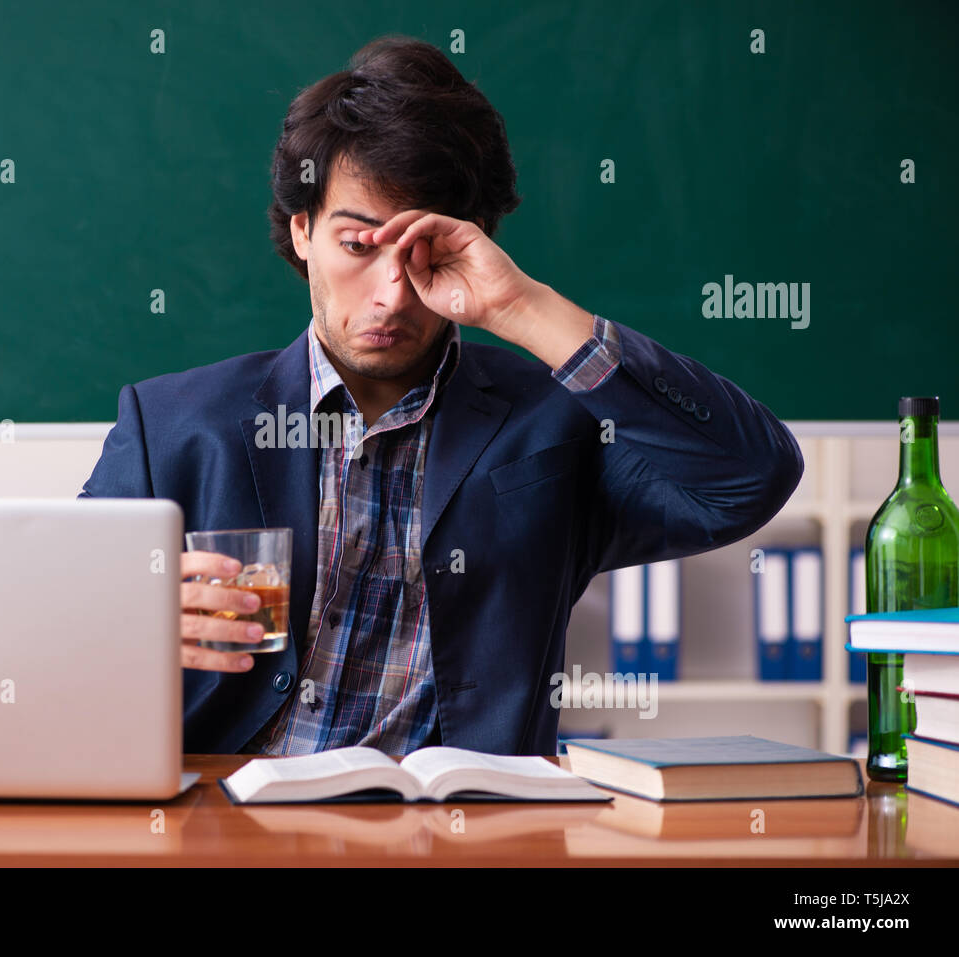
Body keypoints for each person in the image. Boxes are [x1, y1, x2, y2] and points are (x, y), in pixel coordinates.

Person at [78, 35, 803, 756]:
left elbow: (749, 476)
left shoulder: (555, 426)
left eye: (424, 253)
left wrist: (525, 308)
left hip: (466, 835)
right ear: (302, 232)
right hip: (230, 825)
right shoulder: (170, 425)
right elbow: (40, 629)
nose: (393, 295)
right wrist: (125, 620)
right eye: (358, 246)